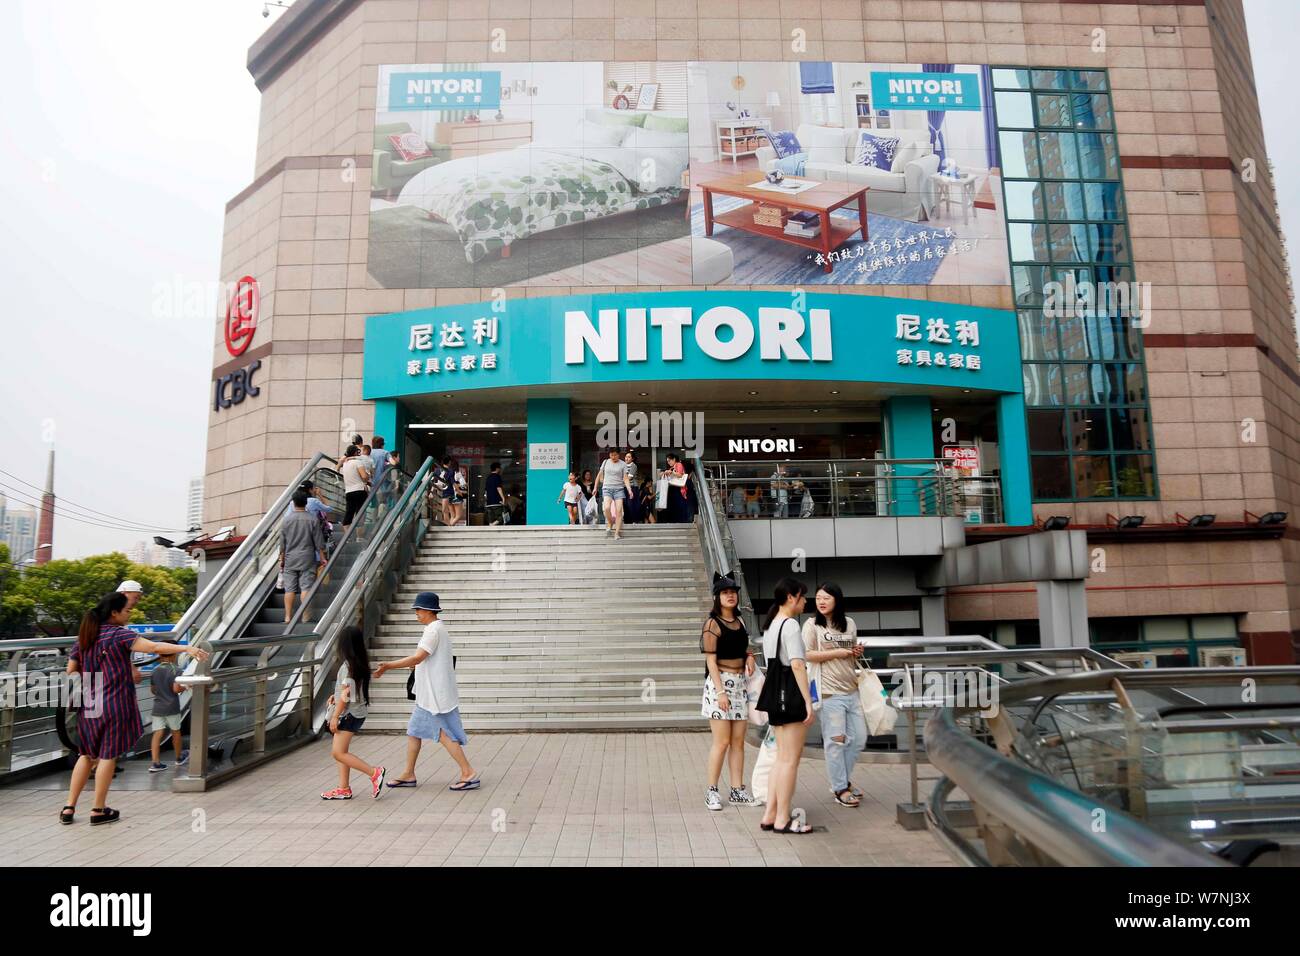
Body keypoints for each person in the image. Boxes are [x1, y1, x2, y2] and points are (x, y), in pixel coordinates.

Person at [60, 592, 209, 825]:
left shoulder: (84, 637)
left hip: (89, 704)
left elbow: (71, 671)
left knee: (86, 754)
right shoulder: (120, 634)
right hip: (115, 702)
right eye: (127, 611)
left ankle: (69, 808)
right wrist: (186, 649)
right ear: (114, 613)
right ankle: (98, 810)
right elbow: (152, 647)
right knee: (108, 756)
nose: (129, 615)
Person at [375, 592, 478, 790]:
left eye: (419, 609)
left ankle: (468, 772)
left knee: (442, 734)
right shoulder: (438, 628)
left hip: (433, 696)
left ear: (429, 611)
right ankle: (408, 773)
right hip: (428, 695)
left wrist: (388, 665)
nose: (416, 613)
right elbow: (425, 660)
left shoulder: (432, 631)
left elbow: (418, 657)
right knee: (414, 732)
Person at [758, 577, 814, 835]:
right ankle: (782, 818)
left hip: (774, 696)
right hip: (790, 695)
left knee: (781, 758)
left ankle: (770, 814)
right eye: (802, 597)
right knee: (790, 761)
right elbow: (797, 664)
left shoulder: (771, 625)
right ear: (791, 597)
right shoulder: (790, 625)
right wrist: (807, 701)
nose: (805, 601)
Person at [802, 582, 864, 807]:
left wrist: (854, 652)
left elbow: (850, 654)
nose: (821, 601)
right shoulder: (812, 625)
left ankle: (843, 780)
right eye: (818, 597)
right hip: (829, 692)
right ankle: (840, 788)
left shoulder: (849, 624)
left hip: (852, 689)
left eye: (826, 598)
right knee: (836, 742)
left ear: (837, 600)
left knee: (858, 739)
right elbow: (806, 654)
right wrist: (839, 652)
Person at [701, 572, 756, 810]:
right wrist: (721, 692)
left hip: (740, 683)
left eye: (733, 592)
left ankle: (737, 789)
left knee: (738, 742)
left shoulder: (741, 621)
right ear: (717, 597)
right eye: (725, 592)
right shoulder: (712, 624)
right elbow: (711, 661)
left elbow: (744, 646)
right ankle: (712, 791)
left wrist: (750, 655)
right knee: (721, 742)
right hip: (719, 685)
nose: (730, 596)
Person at [322, 626, 386, 800]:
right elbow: (349, 691)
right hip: (357, 711)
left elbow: (347, 694)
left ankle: (374, 773)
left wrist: (335, 716)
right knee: (342, 751)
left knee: (338, 752)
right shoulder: (359, 663)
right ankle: (343, 788)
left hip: (349, 715)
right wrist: (335, 697)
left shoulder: (347, 666)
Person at [281, 490, 327, 623]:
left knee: (289, 588)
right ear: (306, 502)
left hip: (290, 558)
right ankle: (305, 615)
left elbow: (282, 542)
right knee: (306, 587)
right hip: (307, 557)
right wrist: (323, 558)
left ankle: (288, 616)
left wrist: (282, 558)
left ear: (293, 503)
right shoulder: (312, 519)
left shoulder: (286, 520)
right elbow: (318, 541)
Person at [147, 646, 187, 772]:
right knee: (175, 731)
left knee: (157, 734)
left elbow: (153, 690)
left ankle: (155, 762)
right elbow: (176, 689)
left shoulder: (155, 670)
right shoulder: (177, 670)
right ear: (173, 656)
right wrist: (185, 687)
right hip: (172, 706)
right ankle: (179, 757)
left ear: (161, 656)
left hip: (158, 706)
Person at [595, 447, 634, 540]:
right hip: (607, 488)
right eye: (611, 455)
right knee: (607, 508)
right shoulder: (605, 462)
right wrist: (595, 487)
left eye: (615, 455)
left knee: (619, 511)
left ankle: (617, 533)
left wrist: (629, 489)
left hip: (619, 489)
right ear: (609, 455)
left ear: (619, 455)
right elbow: (599, 475)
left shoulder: (623, 464)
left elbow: (625, 478)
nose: (613, 457)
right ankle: (610, 522)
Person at [339, 444, 372, 528]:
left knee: (349, 514)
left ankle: (347, 538)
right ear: (355, 452)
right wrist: (368, 475)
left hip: (349, 492)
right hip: (359, 490)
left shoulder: (345, 464)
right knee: (360, 514)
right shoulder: (357, 462)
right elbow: (364, 477)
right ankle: (359, 536)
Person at [661, 453, 690, 523]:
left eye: (669, 461)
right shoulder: (671, 467)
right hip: (672, 488)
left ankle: (681, 521)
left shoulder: (678, 464)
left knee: (679, 505)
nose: (668, 462)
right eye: (667, 461)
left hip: (678, 488)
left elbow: (680, 475)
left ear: (674, 459)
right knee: (673, 506)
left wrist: (671, 472)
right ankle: (674, 521)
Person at [450, 460, 468, 525]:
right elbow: (463, 484)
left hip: (448, 496)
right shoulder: (457, 473)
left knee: (452, 515)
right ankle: (450, 527)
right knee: (458, 516)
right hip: (456, 495)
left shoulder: (447, 473)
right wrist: (466, 484)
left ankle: (450, 530)